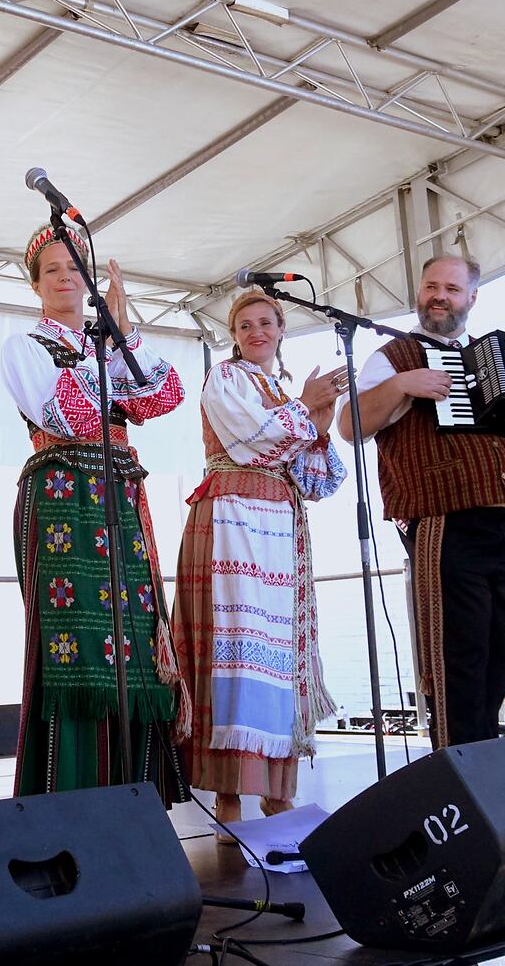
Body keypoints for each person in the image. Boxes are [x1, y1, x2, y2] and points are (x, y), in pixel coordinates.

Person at [0, 224, 186, 800]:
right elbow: (66, 418)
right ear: (35, 284)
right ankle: (69, 796)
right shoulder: (25, 345)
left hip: (120, 496)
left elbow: (164, 395)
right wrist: (106, 349)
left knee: (134, 641)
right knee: (75, 644)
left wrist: (125, 336)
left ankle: (137, 798)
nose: (65, 277)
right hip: (62, 496)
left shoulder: (104, 344)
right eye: (52, 269)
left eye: (74, 268)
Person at [338, 254, 505, 747]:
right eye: (431, 286)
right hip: (444, 519)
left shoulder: (499, 355)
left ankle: (486, 757)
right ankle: (459, 771)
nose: (439, 296)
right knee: (457, 654)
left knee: (500, 649)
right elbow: (350, 425)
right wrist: (402, 385)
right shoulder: (394, 357)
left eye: (451, 289)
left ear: (471, 297)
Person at [170, 289, 344, 837]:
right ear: (234, 334)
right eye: (245, 326)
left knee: (274, 656)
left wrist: (322, 420)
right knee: (235, 652)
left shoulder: (279, 390)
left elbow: (319, 481)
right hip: (232, 523)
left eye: (266, 323)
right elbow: (251, 442)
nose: (256, 333)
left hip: (278, 525)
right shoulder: (225, 379)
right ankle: (228, 796)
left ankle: (276, 793)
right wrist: (304, 409)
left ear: (280, 330)